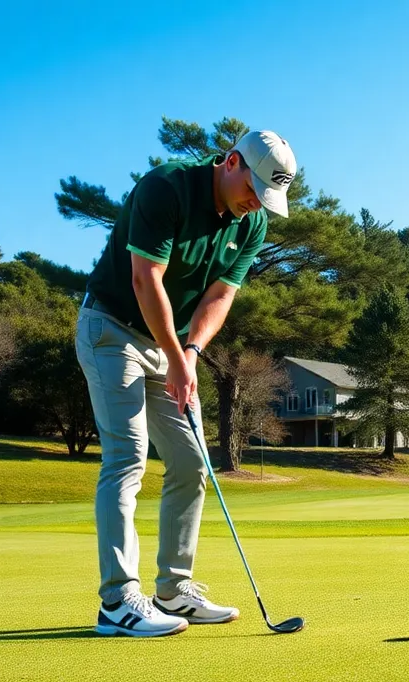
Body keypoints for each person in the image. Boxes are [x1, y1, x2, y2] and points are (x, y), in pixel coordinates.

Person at [76, 130, 297, 637]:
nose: (254, 204)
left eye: (265, 198)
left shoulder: (251, 223)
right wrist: (176, 358)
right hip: (110, 329)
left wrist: (190, 353)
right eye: (253, 190)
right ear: (232, 161)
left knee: (191, 460)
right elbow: (144, 280)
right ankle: (118, 602)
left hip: (169, 344)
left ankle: (173, 592)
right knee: (127, 458)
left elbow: (220, 295)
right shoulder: (167, 187)